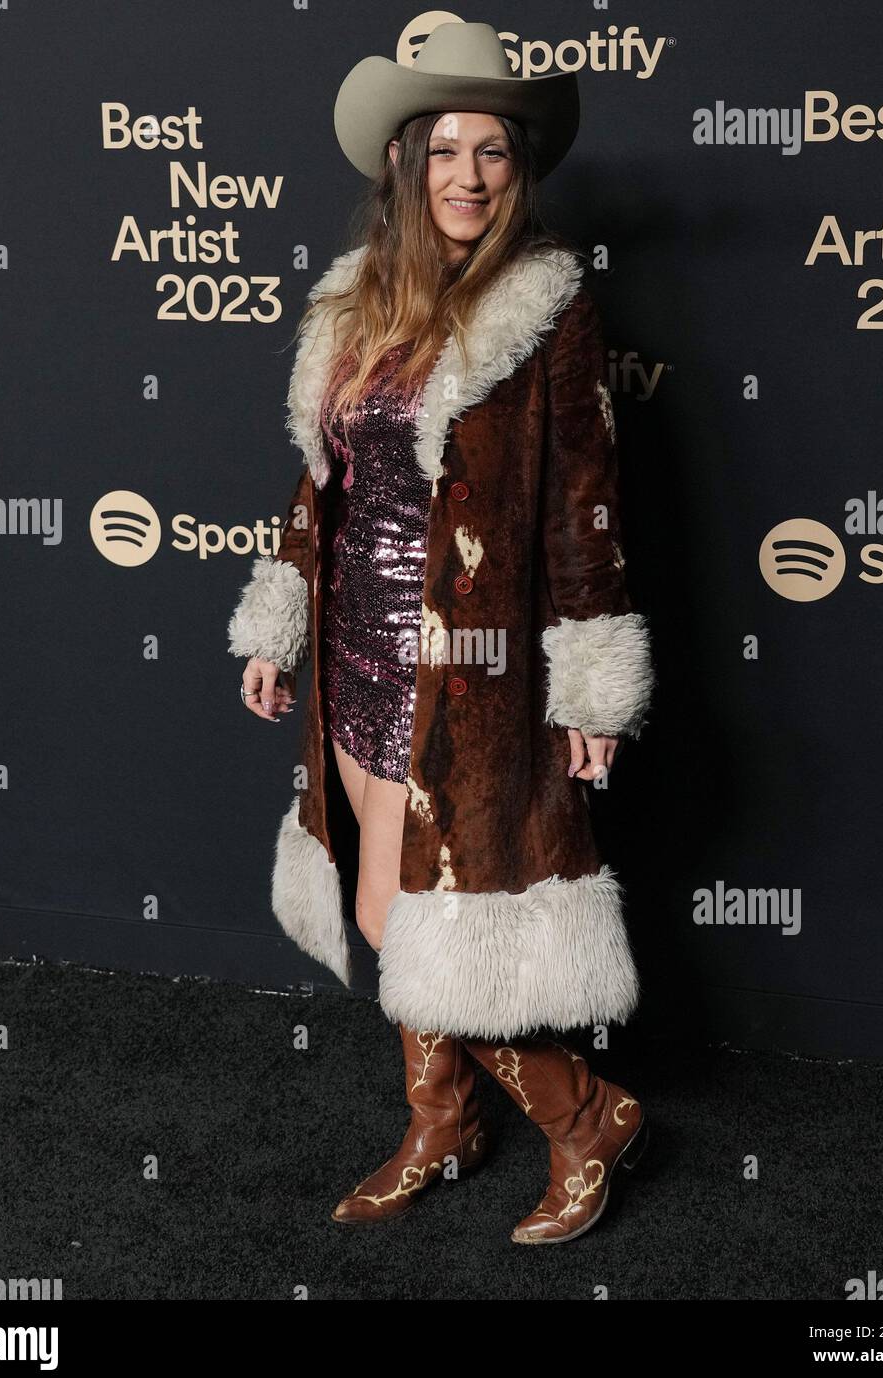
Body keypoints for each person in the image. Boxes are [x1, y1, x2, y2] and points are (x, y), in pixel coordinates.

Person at [228, 22, 657, 1245]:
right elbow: (323, 491)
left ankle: (585, 1120)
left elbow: (584, 511)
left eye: (494, 156)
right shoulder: (349, 307)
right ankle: (442, 1121)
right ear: (405, 166)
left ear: (517, 176)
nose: (468, 177)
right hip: (358, 661)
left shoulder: (544, 309)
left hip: (466, 677)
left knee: (409, 920)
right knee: (395, 916)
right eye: (445, 152)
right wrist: (278, 620)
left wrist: (588, 689)